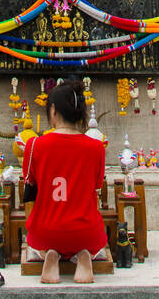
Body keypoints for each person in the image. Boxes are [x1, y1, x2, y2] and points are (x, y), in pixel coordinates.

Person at [21, 78, 107, 283]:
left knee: (35, 243)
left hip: (46, 230)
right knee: (95, 243)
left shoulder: (34, 145)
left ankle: (50, 254)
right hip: (85, 230)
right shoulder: (96, 147)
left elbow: (31, 182)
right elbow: (96, 186)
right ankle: (84, 256)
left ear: (52, 111)